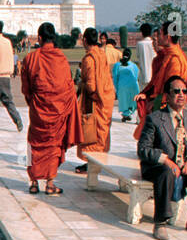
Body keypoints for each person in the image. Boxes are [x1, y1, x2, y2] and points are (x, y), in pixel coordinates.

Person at [137, 75, 187, 240]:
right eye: (176, 91)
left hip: (184, 167)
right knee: (167, 173)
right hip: (159, 168)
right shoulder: (155, 119)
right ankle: (161, 222)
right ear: (167, 95)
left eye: (184, 91)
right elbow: (143, 149)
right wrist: (166, 160)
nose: (181, 95)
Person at [19, 21, 81, 195]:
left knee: (34, 144)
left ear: (39, 38)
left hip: (39, 109)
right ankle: (50, 182)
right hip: (58, 110)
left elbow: (26, 87)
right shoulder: (60, 57)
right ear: (53, 38)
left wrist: (34, 101)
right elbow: (68, 86)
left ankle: (33, 182)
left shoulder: (31, 58)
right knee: (54, 145)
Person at [134, 24, 187, 137]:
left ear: (168, 36)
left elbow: (173, 91)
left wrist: (155, 102)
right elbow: (159, 82)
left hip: (167, 108)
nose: (157, 37)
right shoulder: (168, 55)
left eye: (160, 34)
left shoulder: (175, 59)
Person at [75, 27, 116, 171]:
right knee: (101, 132)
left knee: (93, 132)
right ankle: (95, 161)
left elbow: (92, 86)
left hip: (96, 100)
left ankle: (92, 162)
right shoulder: (101, 54)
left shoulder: (89, 59)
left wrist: (82, 84)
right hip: (106, 96)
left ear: (85, 40)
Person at [112, 48, 140, 121]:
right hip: (133, 86)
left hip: (122, 86)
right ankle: (128, 113)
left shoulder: (117, 65)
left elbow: (115, 77)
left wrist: (116, 87)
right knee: (131, 101)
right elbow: (136, 76)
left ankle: (125, 114)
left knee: (123, 101)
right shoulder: (134, 66)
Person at [135, 23, 155, 92]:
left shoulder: (140, 44)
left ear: (142, 32)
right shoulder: (154, 43)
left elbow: (138, 56)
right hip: (154, 76)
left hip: (143, 75)